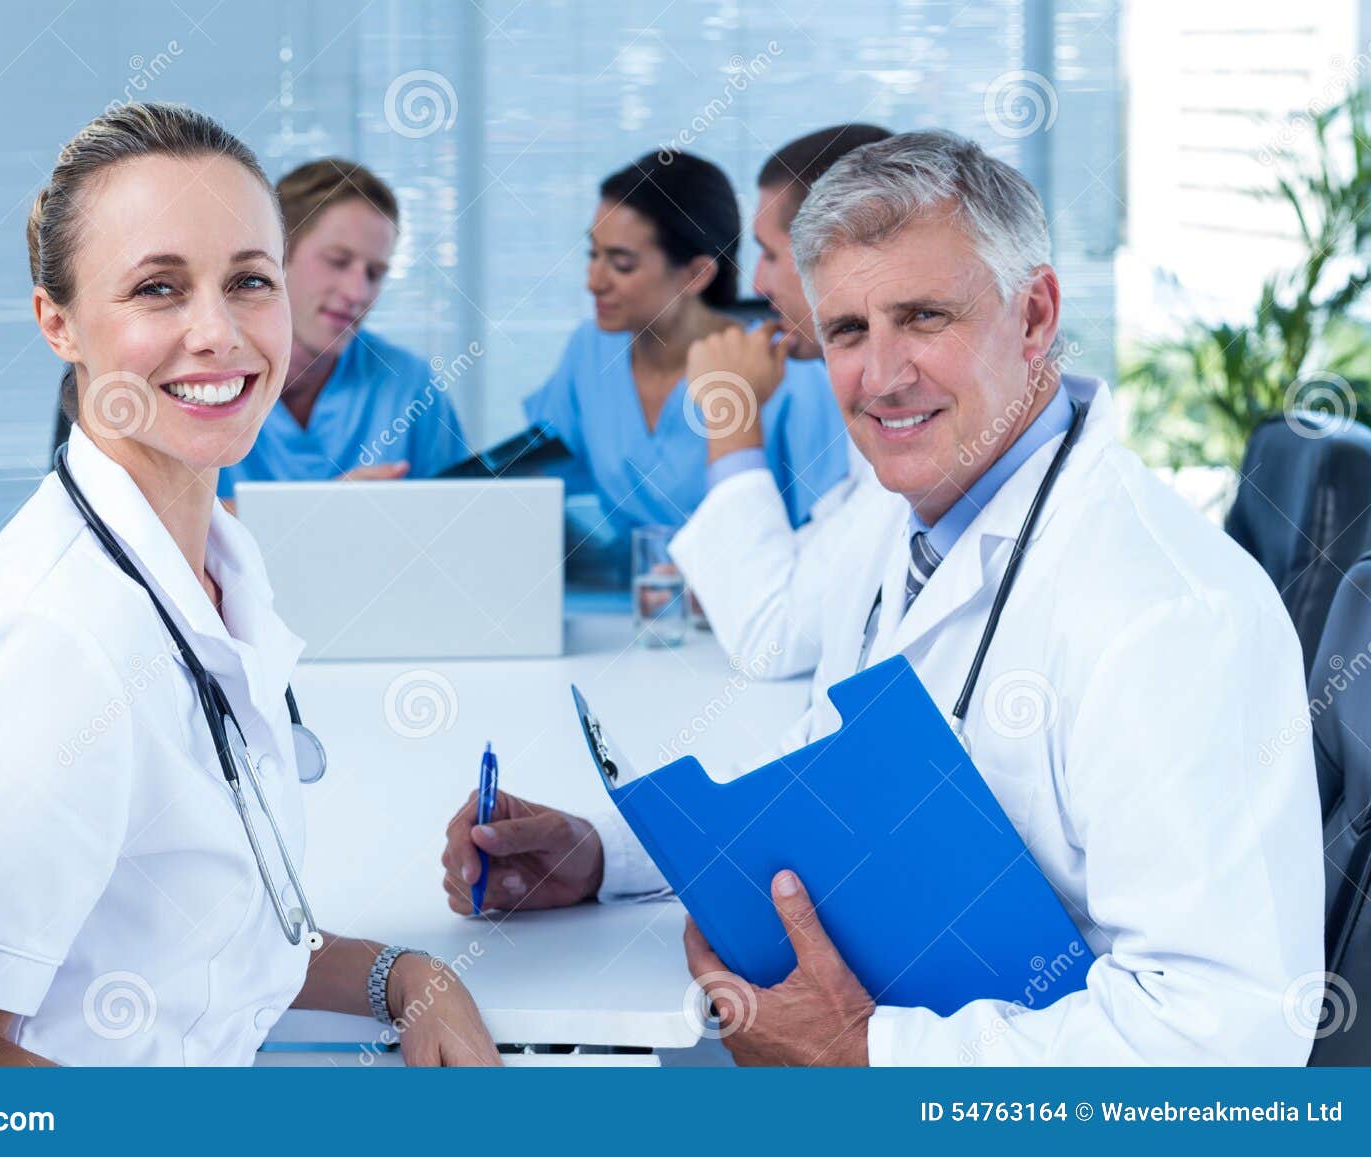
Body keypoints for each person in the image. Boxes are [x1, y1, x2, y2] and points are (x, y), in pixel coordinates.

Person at [441, 131, 1324, 1066]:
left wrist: (870, 1054)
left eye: (925, 317)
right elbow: (826, 775)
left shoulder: (1170, 615)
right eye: (849, 332)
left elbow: (1230, 1037)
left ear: (1034, 316)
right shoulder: (905, 512)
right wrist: (600, 854)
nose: (882, 376)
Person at [0, 104, 497, 1067]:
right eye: (158, 288)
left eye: (250, 281)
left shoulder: (216, 566)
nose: (218, 333)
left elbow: (226, 947)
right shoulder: (47, 637)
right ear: (58, 322)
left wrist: (410, 975)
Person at [523, 150, 849, 563]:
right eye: (593, 254)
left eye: (621, 264)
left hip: (755, 594)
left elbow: (828, 538)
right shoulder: (589, 351)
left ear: (697, 274)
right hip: (627, 596)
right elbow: (539, 482)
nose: (594, 282)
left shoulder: (787, 369)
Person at [679, 124, 891, 676]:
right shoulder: (869, 411)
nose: (758, 283)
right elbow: (818, 570)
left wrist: (730, 416)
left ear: (838, 253)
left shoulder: (911, 425)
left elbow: (770, 638)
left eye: (771, 254)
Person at [217, 158, 469, 500]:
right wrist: (328, 514)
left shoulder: (410, 387)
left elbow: (458, 517)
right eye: (337, 262)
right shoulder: (208, 375)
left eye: (374, 273)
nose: (357, 293)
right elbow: (167, 523)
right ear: (276, 255)